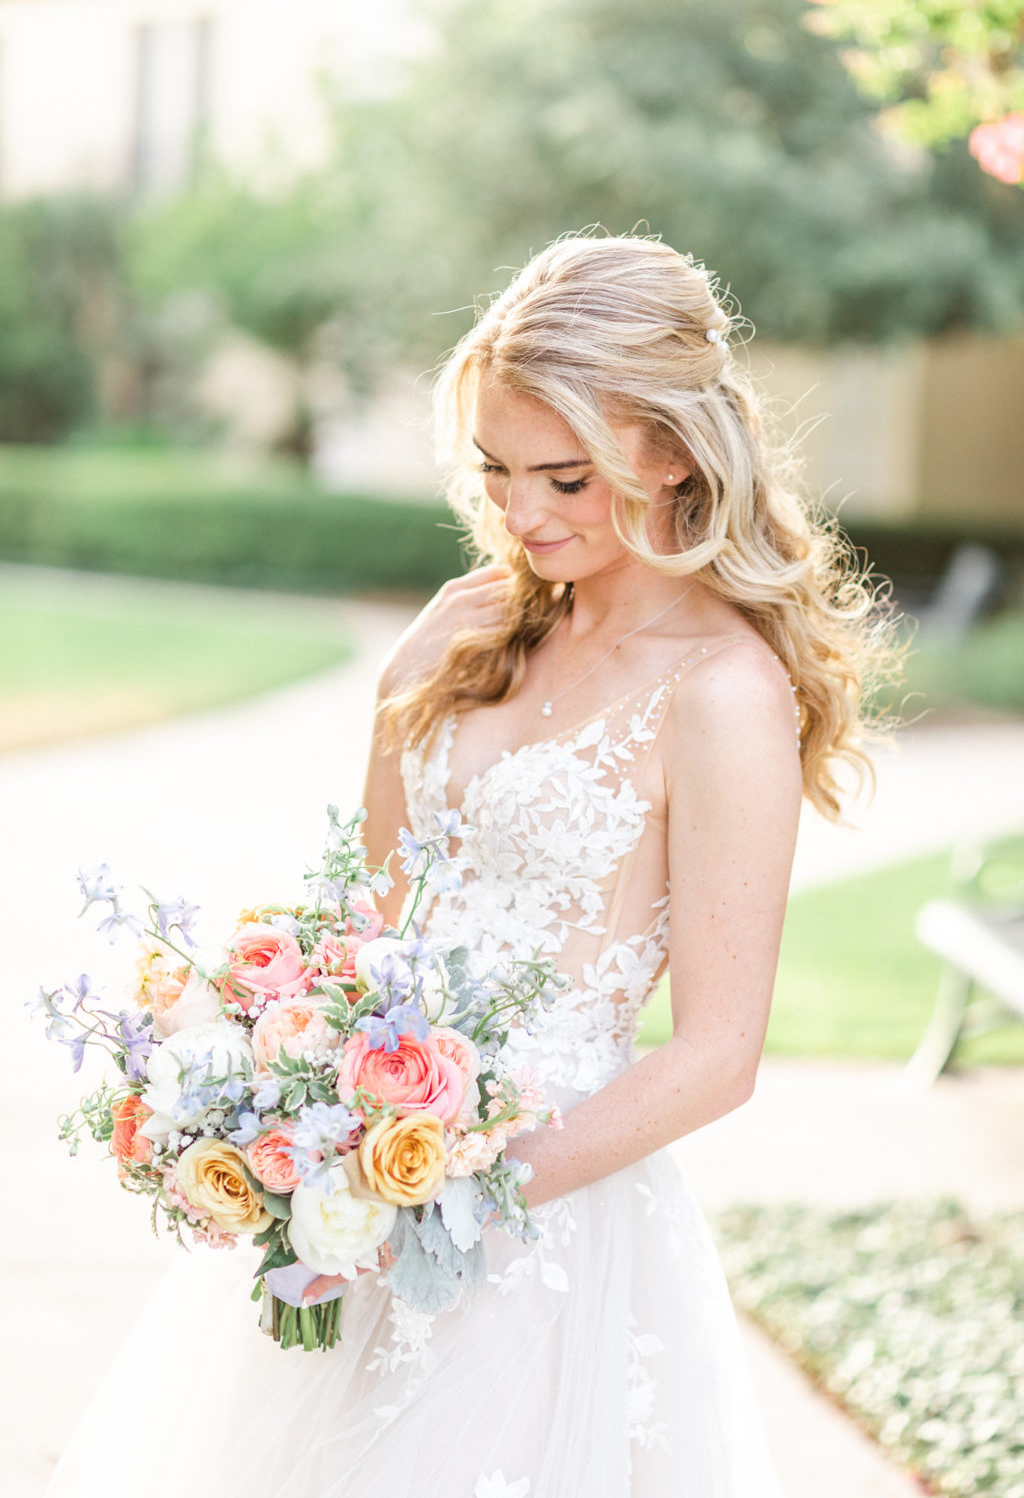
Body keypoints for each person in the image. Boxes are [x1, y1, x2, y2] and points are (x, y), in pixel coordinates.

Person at [45, 234, 889, 1498]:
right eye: (496, 472)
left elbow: (716, 1056)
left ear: (667, 452)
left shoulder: (721, 693)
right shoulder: (478, 625)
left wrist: (455, 1198)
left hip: (539, 1225)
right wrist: (311, 1114)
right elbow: (375, 916)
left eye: (564, 477)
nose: (521, 514)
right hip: (366, 1174)